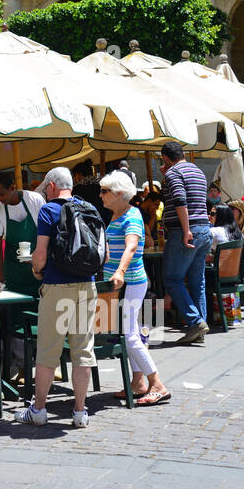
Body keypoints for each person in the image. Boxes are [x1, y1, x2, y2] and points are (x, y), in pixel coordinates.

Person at [17, 166, 96, 428]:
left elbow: (40, 254)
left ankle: (39, 410)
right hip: (87, 286)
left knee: (48, 352)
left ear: (51, 186)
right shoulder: (91, 210)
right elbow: (103, 257)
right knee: (82, 352)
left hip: (57, 288)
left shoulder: (49, 210)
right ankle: (79, 412)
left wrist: (37, 272)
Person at [99, 171, 168, 405]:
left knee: (129, 335)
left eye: (104, 191)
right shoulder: (117, 215)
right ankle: (138, 382)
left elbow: (131, 247)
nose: (100, 195)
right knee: (134, 331)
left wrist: (119, 271)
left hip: (129, 281)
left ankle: (157, 383)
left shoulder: (132, 216)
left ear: (119, 194)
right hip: (121, 283)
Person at [160, 142, 212, 345]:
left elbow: (180, 201)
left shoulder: (174, 173)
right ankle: (199, 326)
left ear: (165, 157)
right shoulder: (197, 171)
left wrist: (186, 230)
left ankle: (196, 322)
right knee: (197, 280)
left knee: (172, 279)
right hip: (204, 229)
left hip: (185, 232)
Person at [0, 170, 48, 296]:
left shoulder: (35, 199)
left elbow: (47, 233)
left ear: (12, 188)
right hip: (13, 271)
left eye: (2, 194)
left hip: (39, 268)